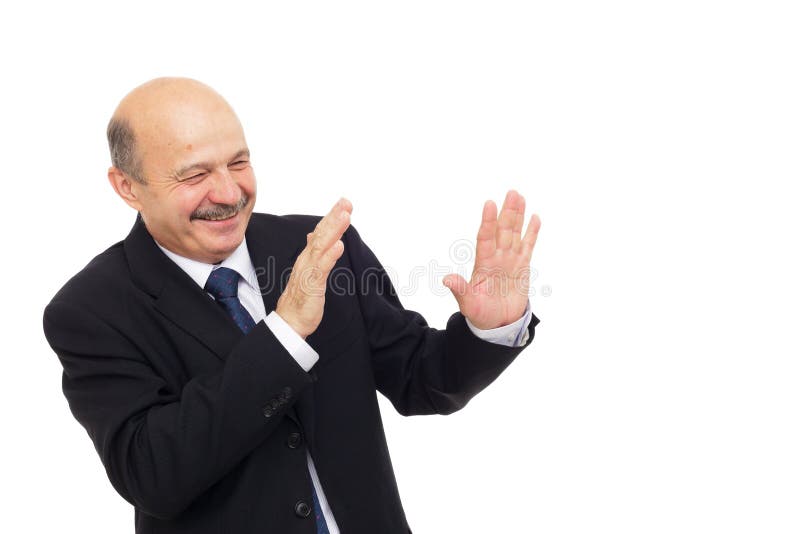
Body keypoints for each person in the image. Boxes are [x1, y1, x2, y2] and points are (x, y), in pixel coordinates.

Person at [42, 77, 542, 534]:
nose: (229, 192)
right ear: (127, 187)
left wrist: (488, 330)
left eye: (238, 162)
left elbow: (419, 380)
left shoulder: (319, 247)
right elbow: (154, 475)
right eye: (194, 175)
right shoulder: (88, 311)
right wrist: (284, 333)